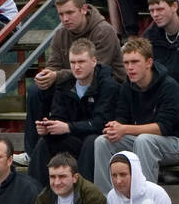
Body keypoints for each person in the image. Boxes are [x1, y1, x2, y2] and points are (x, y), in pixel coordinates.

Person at [21, 0, 125, 171]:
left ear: (84, 9)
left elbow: (96, 70)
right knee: (36, 91)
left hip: (103, 89)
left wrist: (57, 75)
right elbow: (53, 65)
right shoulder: (61, 34)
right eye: (61, 14)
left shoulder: (104, 31)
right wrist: (46, 75)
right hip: (73, 87)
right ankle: (35, 146)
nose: (65, 18)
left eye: (69, 13)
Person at [92, 37, 179, 188]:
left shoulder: (169, 87)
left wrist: (124, 129)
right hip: (143, 142)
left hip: (177, 145)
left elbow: (163, 127)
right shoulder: (127, 87)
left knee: (144, 140)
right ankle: (107, 201)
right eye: (126, 63)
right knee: (103, 141)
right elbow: (122, 118)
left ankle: (145, 199)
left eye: (135, 62)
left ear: (149, 63)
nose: (130, 67)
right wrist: (115, 127)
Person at [29, 39, 122, 185]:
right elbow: (58, 116)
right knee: (44, 142)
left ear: (93, 61)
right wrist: (48, 127)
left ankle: (84, 194)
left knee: (92, 142)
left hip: (100, 138)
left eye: (81, 62)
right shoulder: (65, 84)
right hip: (73, 137)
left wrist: (67, 127)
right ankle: (35, 192)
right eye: (73, 63)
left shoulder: (109, 86)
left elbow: (101, 123)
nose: (77, 67)